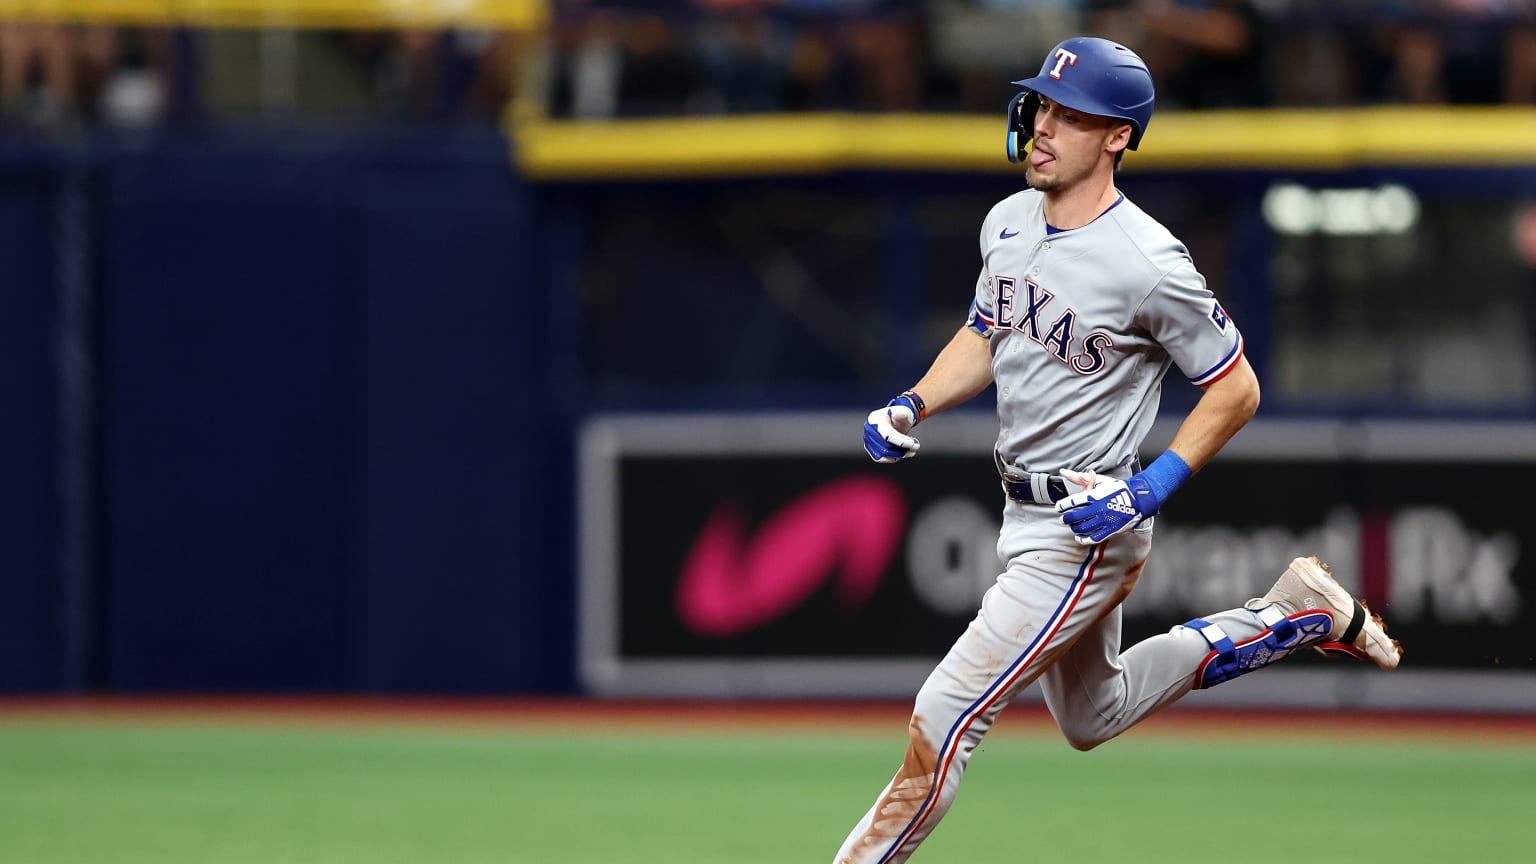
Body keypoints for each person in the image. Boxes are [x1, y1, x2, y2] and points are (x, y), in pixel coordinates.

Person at [842, 36, 1402, 864]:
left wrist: (1152, 487)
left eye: (1072, 116)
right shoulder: (1007, 220)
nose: (1043, 127)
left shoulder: (1147, 261)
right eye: (1042, 105)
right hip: (1021, 509)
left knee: (945, 711)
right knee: (1090, 715)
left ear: (1116, 137)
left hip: (1085, 525)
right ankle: (1293, 616)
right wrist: (914, 400)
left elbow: (1237, 387)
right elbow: (986, 333)